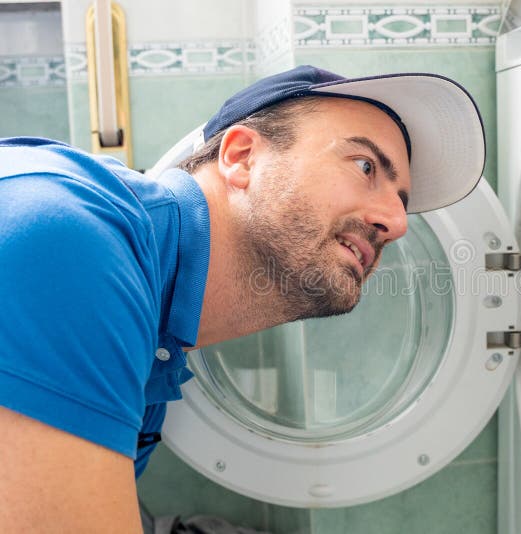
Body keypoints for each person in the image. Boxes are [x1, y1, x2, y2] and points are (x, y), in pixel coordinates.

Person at [0, 65, 485, 532]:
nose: (396, 223)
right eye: (364, 166)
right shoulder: (70, 239)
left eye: (401, 200)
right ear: (240, 156)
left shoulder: (156, 352)